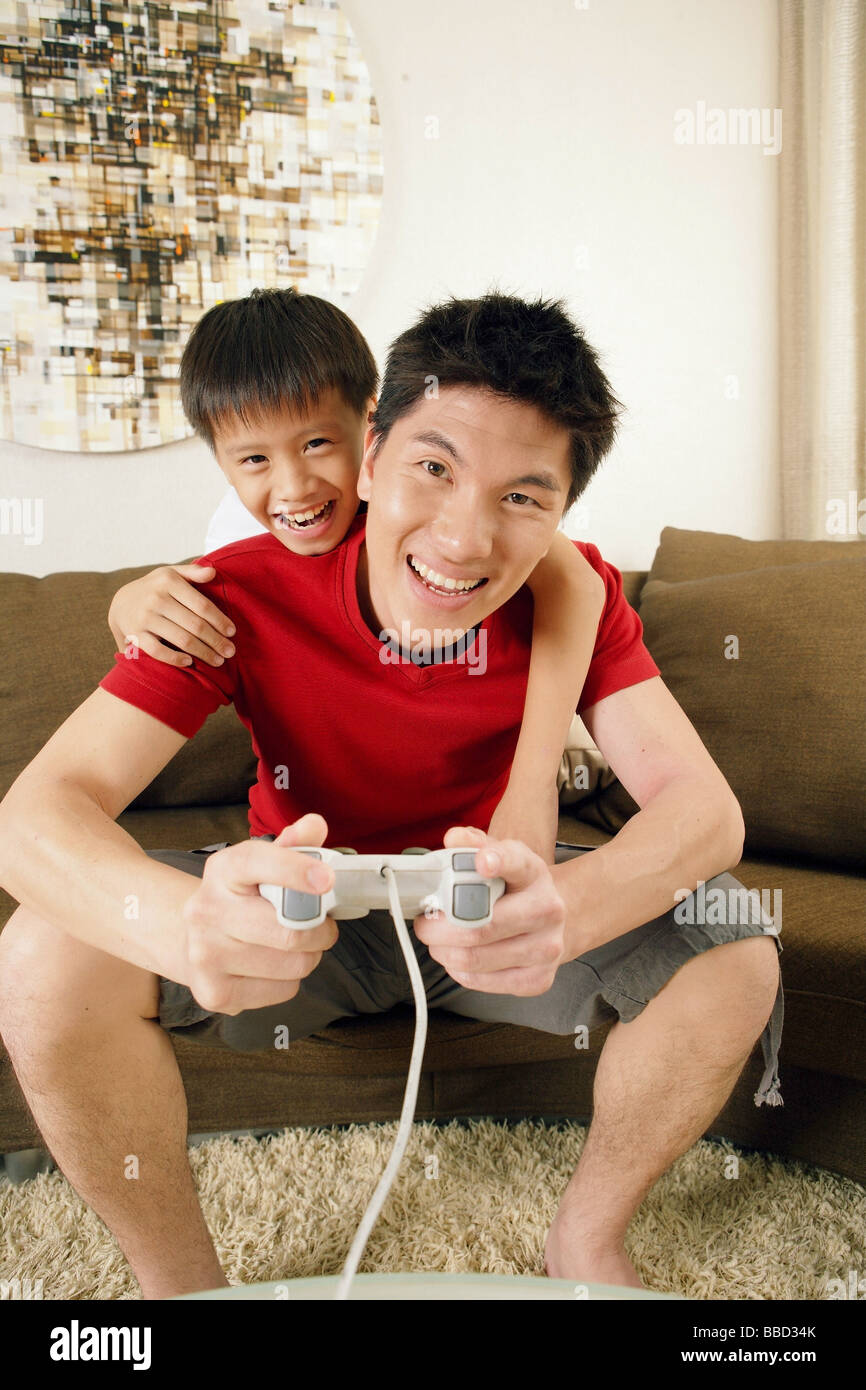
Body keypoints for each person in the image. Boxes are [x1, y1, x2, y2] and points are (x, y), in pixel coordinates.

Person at [0, 291, 783, 1300]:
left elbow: (701, 810)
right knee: (38, 950)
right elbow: (35, 815)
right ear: (372, 453)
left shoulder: (572, 591)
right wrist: (183, 920)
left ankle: (585, 1241)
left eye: (519, 497)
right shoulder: (228, 598)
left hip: (486, 911)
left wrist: (566, 910)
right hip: (302, 913)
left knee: (736, 948)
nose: (461, 539)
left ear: (555, 514)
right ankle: (179, 1284)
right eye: (433, 468)